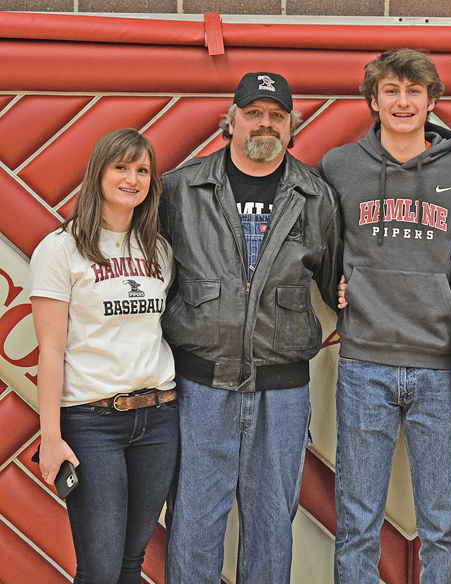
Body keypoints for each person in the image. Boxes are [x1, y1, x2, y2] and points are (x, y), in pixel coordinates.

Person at [160, 72, 341, 584]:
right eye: (254, 112)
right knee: (194, 525)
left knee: (270, 528)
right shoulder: (180, 188)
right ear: (231, 120)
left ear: (291, 126)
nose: (266, 123)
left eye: (277, 115)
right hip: (200, 384)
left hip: (282, 390)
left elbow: (335, 283)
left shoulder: (315, 196)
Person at [317, 49, 451, 584]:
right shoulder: (340, 166)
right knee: (358, 522)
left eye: (413, 92)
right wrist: (332, 283)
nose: (402, 102)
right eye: (391, 91)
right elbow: (319, 243)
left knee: (443, 526)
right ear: (373, 101)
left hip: (440, 366)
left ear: (432, 101)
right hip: (364, 362)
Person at [31, 128, 177, 584]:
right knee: (99, 568)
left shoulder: (159, 249)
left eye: (143, 170)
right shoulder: (61, 249)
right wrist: (50, 437)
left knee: (131, 563)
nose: (132, 179)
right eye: (122, 167)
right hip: (92, 422)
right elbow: (51, 350)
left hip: (158, 418)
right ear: (98, 173)